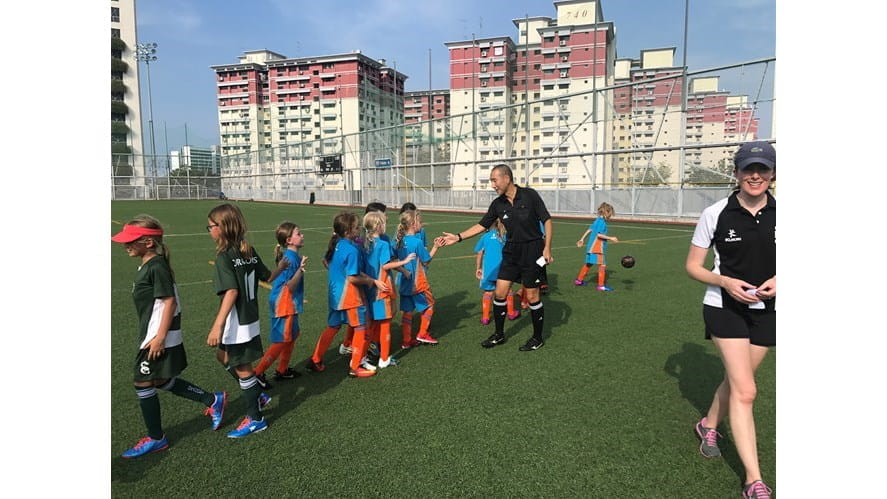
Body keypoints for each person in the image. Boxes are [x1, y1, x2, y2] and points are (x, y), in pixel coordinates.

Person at [685, 141, 776, 499]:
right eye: (748, 169)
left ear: (772, 174)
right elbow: (693, 266)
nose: (755, 175)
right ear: (736, 172)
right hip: (724, 307)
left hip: (768, 311)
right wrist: (723, 280)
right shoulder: (715, 213)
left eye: (763, 169)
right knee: (747, 391)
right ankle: (754, 480)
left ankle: (707, 423)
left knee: (738, 382)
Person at [113, 215, 227, 458]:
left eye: (131, 241)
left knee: (142, 382)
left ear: (149, 243)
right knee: (159, 379)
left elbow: (169, 301)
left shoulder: (156, 266)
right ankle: (213, 400)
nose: (126, 245)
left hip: (156, 336)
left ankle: (156, 438)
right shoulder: (149, 264)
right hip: (154, 333)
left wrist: (160, 337)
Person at [436, 163, 553, 351]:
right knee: (499, 292)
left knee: (532, 296)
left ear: (506, 178)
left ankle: (537, 337)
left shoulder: (530, 195)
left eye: (494, 180)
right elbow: (482, 225)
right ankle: (499, 335)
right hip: (511, 252)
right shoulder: (498, 204)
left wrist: (547, 248)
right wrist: (458, 237)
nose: (492, 185)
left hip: (533, 251)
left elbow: (546, 220)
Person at [206, 203, 274, 438]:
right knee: (222, 356)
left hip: (237, 321)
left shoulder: (226, 256)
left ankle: (256, 419)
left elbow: (231, 292)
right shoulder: (248, 250)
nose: (209, 230)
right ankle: (257, 394)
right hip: (249, 317)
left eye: (211, 226)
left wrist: (217, 325)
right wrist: (283, 265)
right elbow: (268, 276)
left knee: (243, 368)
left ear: (223, 228)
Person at [305, 211, 388, 378]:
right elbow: (352, 277)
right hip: (350, 296)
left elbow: (328, 262)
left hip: (334, 293)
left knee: (333, 326)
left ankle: (315, 359)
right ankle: (355, 366)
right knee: (361, 328)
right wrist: (372, 281)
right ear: (349, 231)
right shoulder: (352, 250)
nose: (359, 230)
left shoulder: (339, 243)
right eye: (357, 228)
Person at [254, 222, 308, 388]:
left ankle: (282, 369)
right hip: (283, 303)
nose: (302, 235)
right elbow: (289, 286)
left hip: (288, 303)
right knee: (281, 339)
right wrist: (301, 270)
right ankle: (257, 373)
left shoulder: (292, 256)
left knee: (292, 335)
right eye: (298, 234)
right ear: (289, 240)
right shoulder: (291, 259)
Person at [362, 211, 416, 368]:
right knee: (385, 323)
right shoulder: (383, 244)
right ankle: (384, 358)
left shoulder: (365, 243)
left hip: (370, 288)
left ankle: (366, 353)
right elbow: (386, 265)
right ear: (378, 226)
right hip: (383, 289)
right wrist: (404, 262)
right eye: (384, 222)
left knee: (372, 323)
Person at [395, 209, 441, 347]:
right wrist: (436, 247)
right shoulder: (417, 242)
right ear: (413, 224)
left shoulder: (400, 240)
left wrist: (403, 270)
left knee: (407, 311)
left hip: (404, 282)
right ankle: (422, 333)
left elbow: (392, 261)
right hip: (418, 283)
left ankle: (406, 340)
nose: (422, 224)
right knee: (429, 306)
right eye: (420, 222)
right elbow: (426, 261)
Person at [473, 219, 519, 324]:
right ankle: (511, 313)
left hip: (488, 270)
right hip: (503, 268)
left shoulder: (485, 236)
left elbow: (480, 253)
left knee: (488, 292)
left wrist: (478, 268)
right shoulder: (505, 236)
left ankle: (485, 317)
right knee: (508, 290)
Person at [574, 202, 620, 291]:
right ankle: (601, 286)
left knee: (589, 263)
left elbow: (590, 229)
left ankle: (579, 280)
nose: (610, 216)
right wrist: (611, 238)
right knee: (602, 264)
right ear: (606, 212)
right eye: (610, 214)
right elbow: (599, 235)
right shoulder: (602, 222)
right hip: (597, 248)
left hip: (591, 246)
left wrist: (582, 239)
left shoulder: (597, 220)